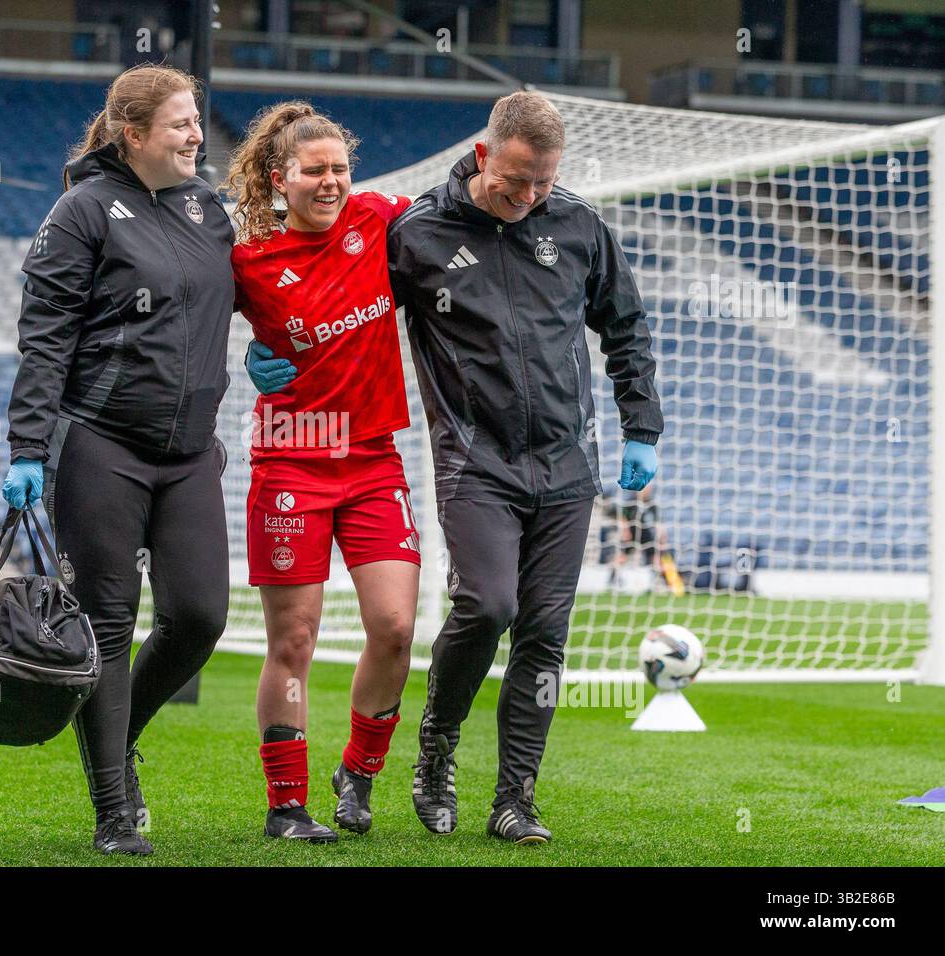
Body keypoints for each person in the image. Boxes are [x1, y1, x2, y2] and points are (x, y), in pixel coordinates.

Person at [251, 91, 664, 845]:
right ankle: (434, 754)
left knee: (545, 631)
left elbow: (625, 326)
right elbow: (340, 296)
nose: (528, 196)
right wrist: (277, 345)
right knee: (489, 606)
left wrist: (643, 425)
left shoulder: (578, 226)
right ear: (483, 158)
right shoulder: (417, 232)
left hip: (570, 464)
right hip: (476, 461)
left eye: (542, 181)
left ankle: (516, 800)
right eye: (514, 180)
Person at [1, 64, 234, 856]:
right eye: (179, 124)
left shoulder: (210, 209)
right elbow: (45, 337)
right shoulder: (81, 212)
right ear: (133, 135)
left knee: (200, 616)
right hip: (101, 442)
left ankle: (117, 732)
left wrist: (269, 350)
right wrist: (28, 446)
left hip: (193, 451)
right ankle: (112, 808)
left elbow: (232, 302)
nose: (197, 134)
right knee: (106, 623)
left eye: (197, 120)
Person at [230, 102, 420, 841]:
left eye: (341, 168)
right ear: (281, 179)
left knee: (397, 626)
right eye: (316, 170)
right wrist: (244, 355)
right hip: (289, 462)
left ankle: (358, 774)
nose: (332, 181)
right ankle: (286, 806)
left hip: (372, 460)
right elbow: (184, 314)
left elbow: (456, 209)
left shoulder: (378, 218)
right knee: (295, 641)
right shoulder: (248, 257)